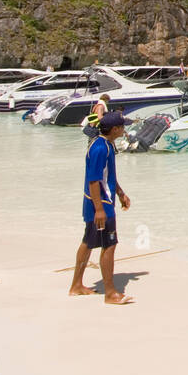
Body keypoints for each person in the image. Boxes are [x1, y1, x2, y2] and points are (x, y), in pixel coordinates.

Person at [69, 112, 134, 304]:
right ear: (114, 129)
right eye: (122, 126)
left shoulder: (104, 144)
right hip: (100, 204)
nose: (124, 129)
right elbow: (94, 181)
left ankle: (76, 286)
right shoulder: (100, 149)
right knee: (109, 245)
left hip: (99, 202)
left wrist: (120, 193)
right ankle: (111, 293)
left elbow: (107, 176)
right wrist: (99, 209)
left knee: (88, 242)